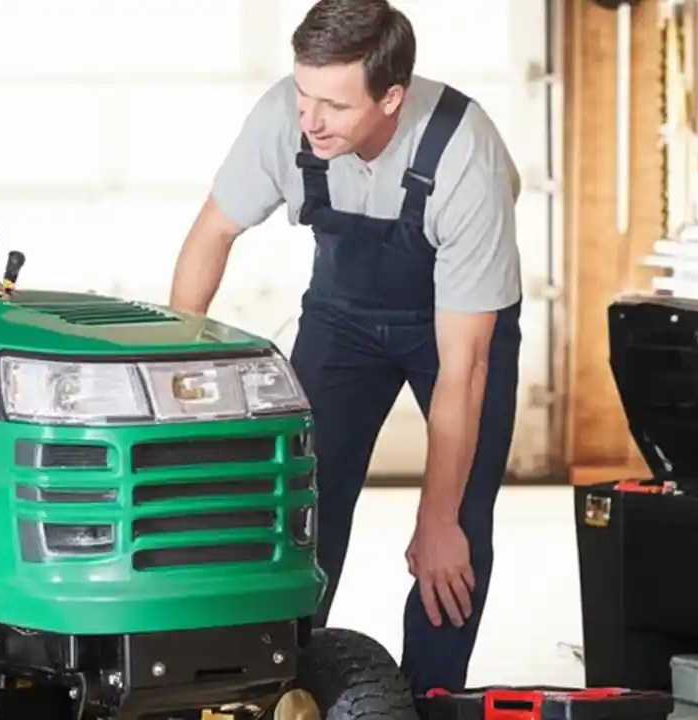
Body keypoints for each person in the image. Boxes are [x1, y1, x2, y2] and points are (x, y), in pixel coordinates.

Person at [167, 0, 522, 695]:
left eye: (334, 103)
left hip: (455, 328)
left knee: (457, 525)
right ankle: (278, 691)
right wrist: (176, 371)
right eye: (303, 92)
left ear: (391, 97)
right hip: (341, 318)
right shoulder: (286, 117)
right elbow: (212, 231)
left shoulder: (462, 156)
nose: (310, 118)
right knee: (298, 501)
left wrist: (436, 517)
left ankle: (429, 698)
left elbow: (465, 365)